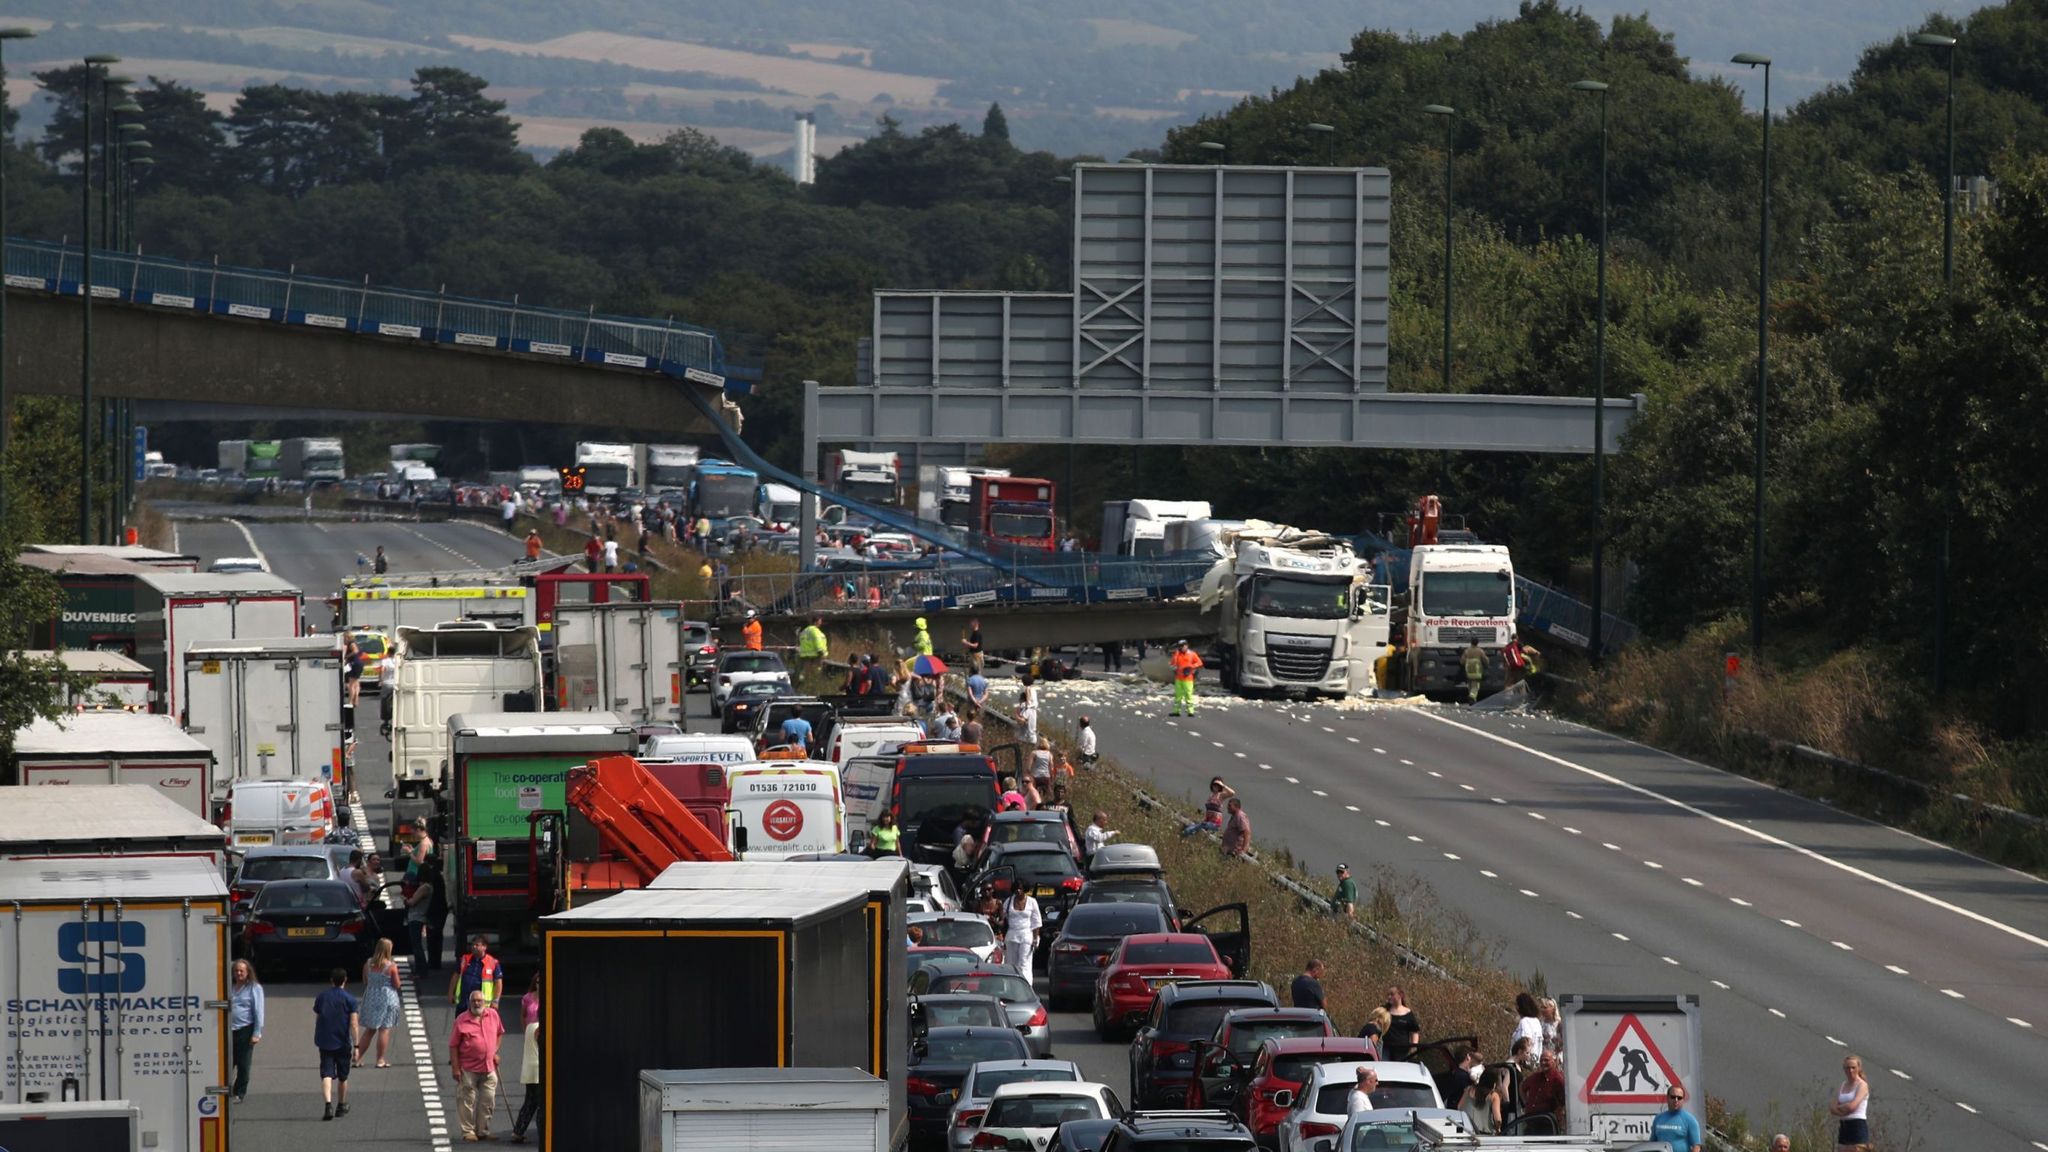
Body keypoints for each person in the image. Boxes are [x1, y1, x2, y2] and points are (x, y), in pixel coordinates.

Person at [450, 988, 506, 1143]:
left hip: (489, 1067)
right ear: (469, 1003)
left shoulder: (493, 1015)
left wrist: (494, 1050)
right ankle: (468, 1131)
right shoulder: (461, 1020)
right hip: (468, 1067)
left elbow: (499, 1033)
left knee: (488, 1100)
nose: (477, 1003)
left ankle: (483, 1130)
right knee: (466, 1100)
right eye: (474, 1001)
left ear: (484, 1002)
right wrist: (455, 1067)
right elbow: (453, 1045)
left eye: (479, 1000)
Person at [312, 968, 360, 1121]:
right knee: (343, 1076)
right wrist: (357, 1046)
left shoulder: (322, 997)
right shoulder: (350, 999)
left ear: (331, 980)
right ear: (345, 980)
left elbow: (318, 1018)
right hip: (342, 1041)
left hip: (325, 1040)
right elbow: (354, 1024)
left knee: (326, 1073)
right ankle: (341, 1104)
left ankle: (328, 1104)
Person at [356, 938, 402, 1068]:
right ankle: (380, 1059)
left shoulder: (368, 963)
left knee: (370, 1030)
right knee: (384, 1030)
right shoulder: (391, 966)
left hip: (371, 998)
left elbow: (365, 980)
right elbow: (397, 984)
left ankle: (357, 1057)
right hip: (387, 999)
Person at [511, 974, 544, 1143]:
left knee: (530, 1101)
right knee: (540, 1103)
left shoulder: (533, 1029)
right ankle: (543, 1136)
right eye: (538, 982)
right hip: (538, 1067)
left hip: (531, 1067)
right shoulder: (536, 1029)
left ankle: (518, 1130)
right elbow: (523, 1016)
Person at [229, 959, 265, 1103]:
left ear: (247, 972)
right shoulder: (229, 987)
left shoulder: (254, 988)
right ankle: (226, 1091)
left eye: (241, 971)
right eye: (236, 971)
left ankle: (239, 1092)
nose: (238, 973)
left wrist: (256, 1033)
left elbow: (258, 1011)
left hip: (245, 1030)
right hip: (229, 1030)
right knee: (227, 1063)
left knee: (243, 1065)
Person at [1002, 888, 1044, 985]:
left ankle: (1026, 986)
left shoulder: (1032, 902)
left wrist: (1035, 939)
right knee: (1011, 964)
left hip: (1026, 936)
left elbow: (1036, 922)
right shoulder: (1009, 901)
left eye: (1020, 888)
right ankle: (1012, 987)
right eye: (1016, 888)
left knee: (1024, 963)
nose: (1018, 891)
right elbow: (1003, 917)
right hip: (1011, 935)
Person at [450, 935, 504, 1011]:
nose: (473, 947)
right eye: (473, 944)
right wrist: (450, 993)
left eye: (477, 945)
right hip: (463, 1003)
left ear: (484, 947)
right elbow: (456, 976)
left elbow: (498, 983)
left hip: (481, 1006)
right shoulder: (464, 959)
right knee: (461, 1022)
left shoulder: (493, 963)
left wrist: (495, 1001)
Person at [1830, 1055, 1869, 1152]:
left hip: (1857, 1125)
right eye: (1847, 1068)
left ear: (1858, 1068)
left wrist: (1840, 1108)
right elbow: (1832, 1107)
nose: (1850, 1070)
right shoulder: (1843, 1085)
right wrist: (1843, 1110)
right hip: (1844, 1125)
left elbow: (1852, 1106)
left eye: (1853, 1068)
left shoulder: (1862, 1085)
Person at [404, 863, 437, 974]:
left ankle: (421, 970)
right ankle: (421, 969)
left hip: (416, 917)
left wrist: (405, 899)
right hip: (420, 917)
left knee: (417, 945)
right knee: (417, 944)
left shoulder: (424, 887)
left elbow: (412, 902)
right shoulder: (429, 886)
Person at [1650, 1084, 1702, 1152]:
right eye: (1673, 1097)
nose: (1676, 1100)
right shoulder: (1658, 1118)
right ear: (1668, 1098)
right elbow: (1651, 1144)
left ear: (1683, 1100)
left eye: (1679, 1098)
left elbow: (1696, 1147)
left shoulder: (1690, 1120)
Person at [423, 853, 450, 970]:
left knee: (432, 936)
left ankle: (433, 961)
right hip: (441, 908)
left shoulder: (431, 875)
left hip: (434, 909)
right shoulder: (438, 874)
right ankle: (436, 961)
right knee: (438, 935)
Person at [1521, 1051, 1565, 1124]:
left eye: (1546, 1060)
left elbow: (1563, 1102)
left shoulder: (1558, 1079)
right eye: (1541, 1060)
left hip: (1547, 1123)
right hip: (1530, 1121)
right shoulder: (1535, 1077)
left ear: (1553, 1061)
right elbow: (1522, 1087)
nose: (1543, 1062)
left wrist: (1558, 1114)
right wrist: (1525, 1103)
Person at [1461, 1067, 1506, 1134]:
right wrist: (1498, 1129)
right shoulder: (1493, 1096)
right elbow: (1498, 1119)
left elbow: (1459, 1107)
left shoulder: (1469, 1089)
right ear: (1494, 1082)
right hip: (1485, 1133)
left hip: (1466, 1130)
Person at [1383, 986, 1421, 1062]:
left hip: (1402, 1051)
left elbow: (1414, 1032)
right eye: (1388, 995)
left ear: (1400, 995)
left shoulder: (1408, 1013)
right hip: (1386, 1049)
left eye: (1392, 994)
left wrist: (1414, 1046)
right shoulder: (1384, 1010)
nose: (1389, 997)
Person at [1169, 639, 1203, 716]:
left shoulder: (1192, 654)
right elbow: (1172, 664)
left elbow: (1199, 663)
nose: (1182, 648)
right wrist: (1173, 667)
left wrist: (1191, 666)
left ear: (1187, 646)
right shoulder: (1177, 654)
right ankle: (1176, 711)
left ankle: (1190, 711)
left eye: (1183, 646)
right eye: (1180, 646)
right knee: (1178, 696)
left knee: (1188, 695)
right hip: (1178, 678)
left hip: (1188, 678)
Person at [1511, 991, 1544, 1063]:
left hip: (1524, 1062)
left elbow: (1525, 1041)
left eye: (1517, 1005)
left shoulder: (1524, 1022)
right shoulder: (1536, 1021)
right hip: (1535, 1061)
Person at [796, 616, 829, 680]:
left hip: (805, 654)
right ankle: (815, 681)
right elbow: (817, 641)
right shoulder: (815, 631)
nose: (821, 623)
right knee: (817, 669)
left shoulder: (805, 631)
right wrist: (821, 652)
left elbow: (800, 642)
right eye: (820, 621)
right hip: (815, 655)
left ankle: (802, 681)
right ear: (816, 622)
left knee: (805, 670)